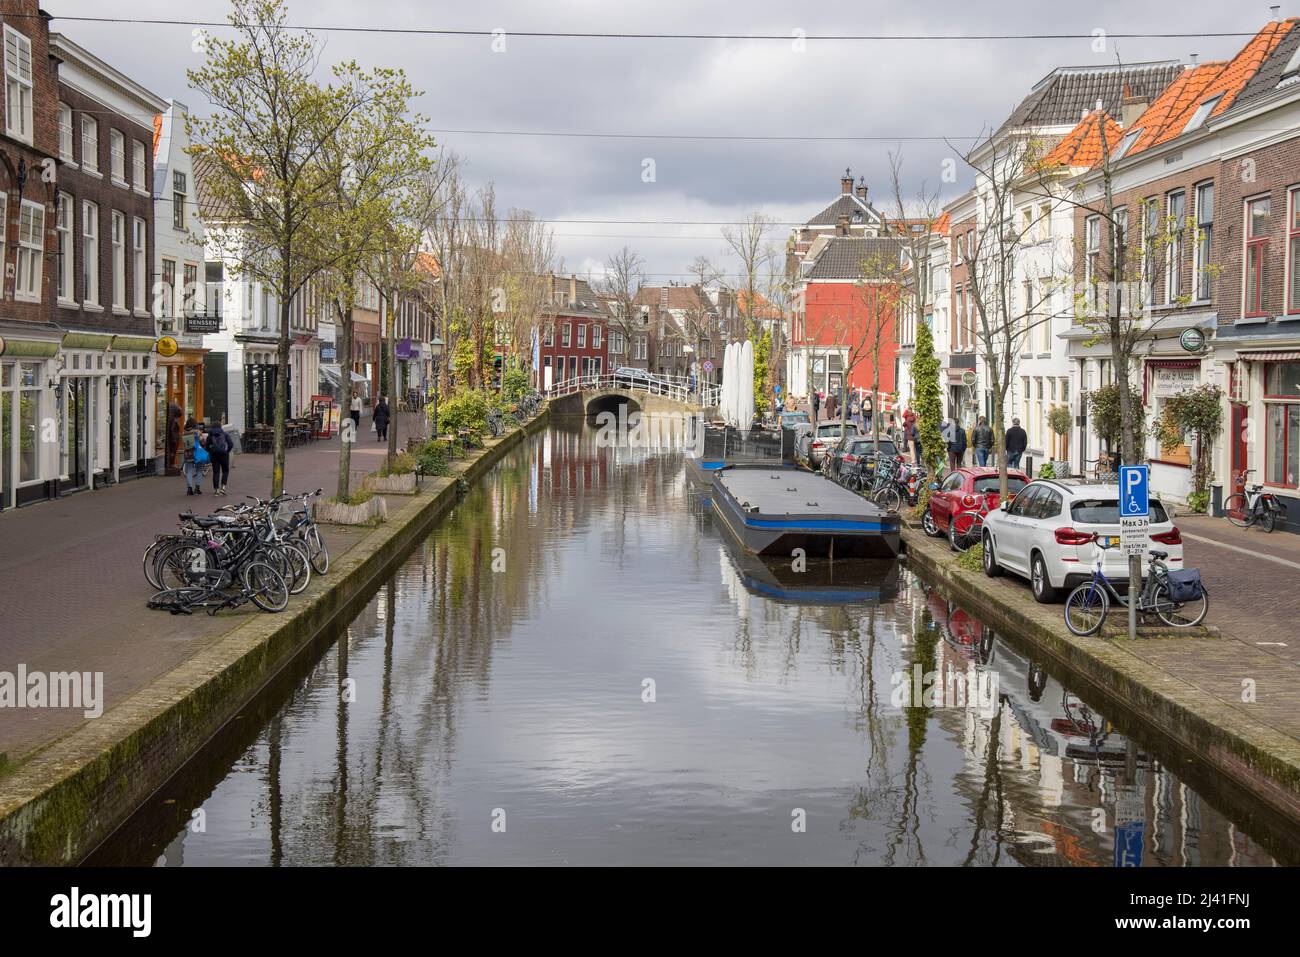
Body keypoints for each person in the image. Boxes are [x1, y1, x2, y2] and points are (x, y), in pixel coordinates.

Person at [181, 417, 205, 496]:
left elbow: (183, 444)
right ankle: (197, 488)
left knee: (189, 471)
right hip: (197, 453)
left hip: (188, 454)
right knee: (199, 470)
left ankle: (189, 489)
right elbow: (203, 442)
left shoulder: (184, 433)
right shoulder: (197, 432)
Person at [207, 420, 231, 496]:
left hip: (214, 455)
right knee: (225, 470)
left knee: (216, 472)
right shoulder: (225, 434)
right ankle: (223, 488)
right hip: (224, 454)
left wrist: (210, 451)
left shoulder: (210, 435)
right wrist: (227, 451)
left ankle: (216, 489)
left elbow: (207, 446)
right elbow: (231, 444)